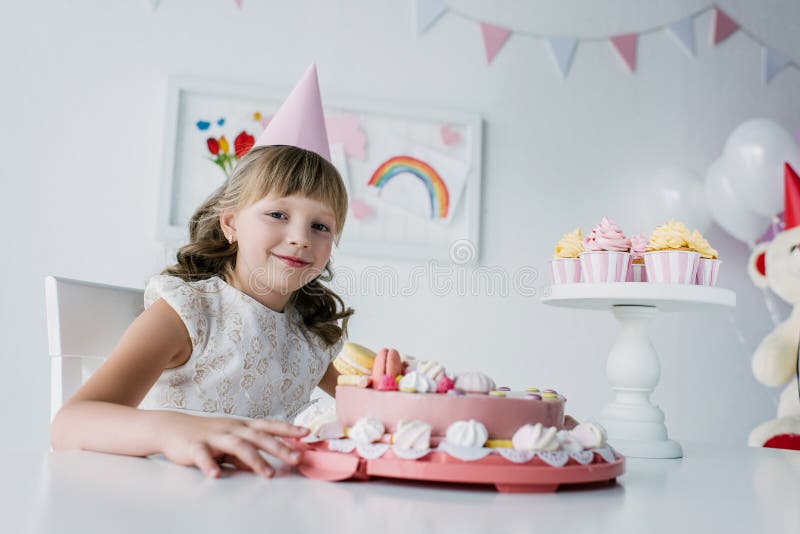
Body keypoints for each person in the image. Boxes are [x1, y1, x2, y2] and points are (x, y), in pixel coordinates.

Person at [50, 65, 353, 479]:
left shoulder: (309, 335)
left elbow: (366, 411)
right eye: (278, 214)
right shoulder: (189, 314)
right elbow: (71, 423)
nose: (301, 237)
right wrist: (172, 429)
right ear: (231, 224)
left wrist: (389, 384)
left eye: (320, 226)